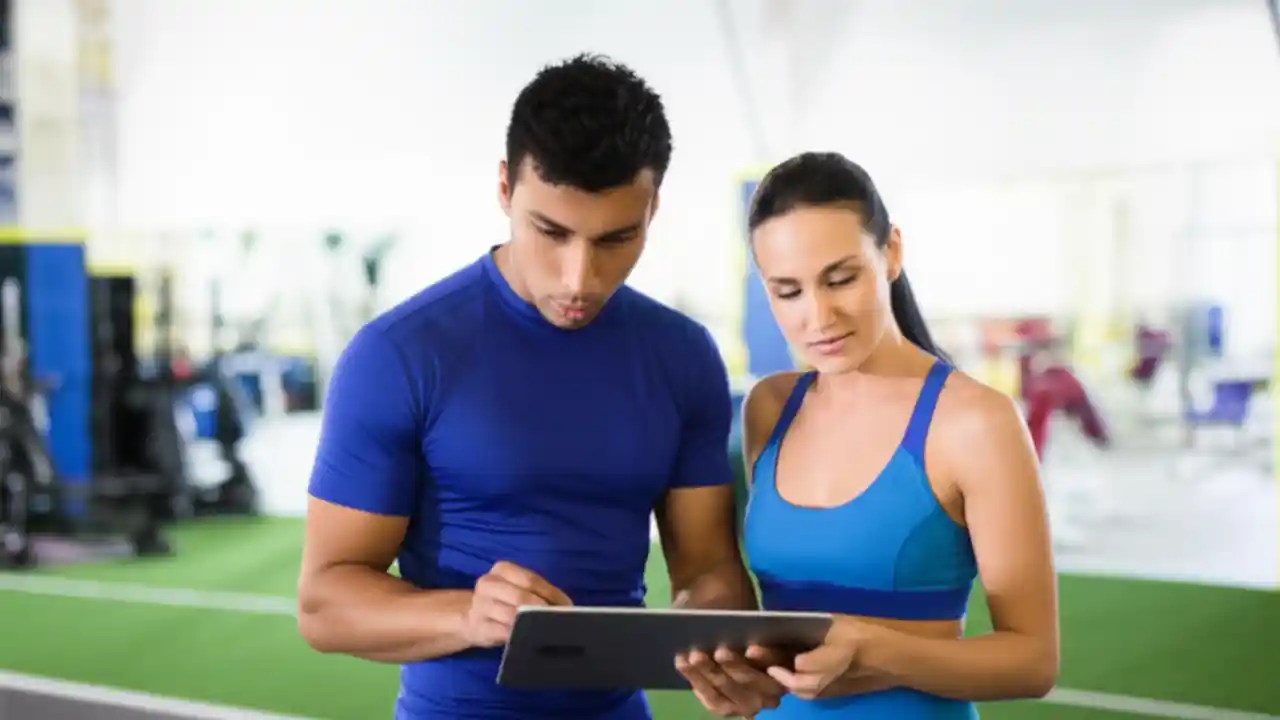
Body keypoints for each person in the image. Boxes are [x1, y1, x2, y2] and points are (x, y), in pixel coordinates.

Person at [294, 53, 784, 719]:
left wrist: (720, 645)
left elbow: (704, 572)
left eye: (617, 237)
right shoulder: (399, 355)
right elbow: (325, 605)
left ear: (653, 208)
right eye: (550, 232)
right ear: (504, 188)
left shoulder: (682, 355)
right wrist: (471, 615)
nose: (578, 278)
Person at [686, 152, 1060, 718]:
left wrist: (880, 653)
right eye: (788, 292)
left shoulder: (975, 423)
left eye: (840, 279)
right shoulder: (769, 408)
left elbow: (1032, 661)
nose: (819, 316)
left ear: (891, 254)